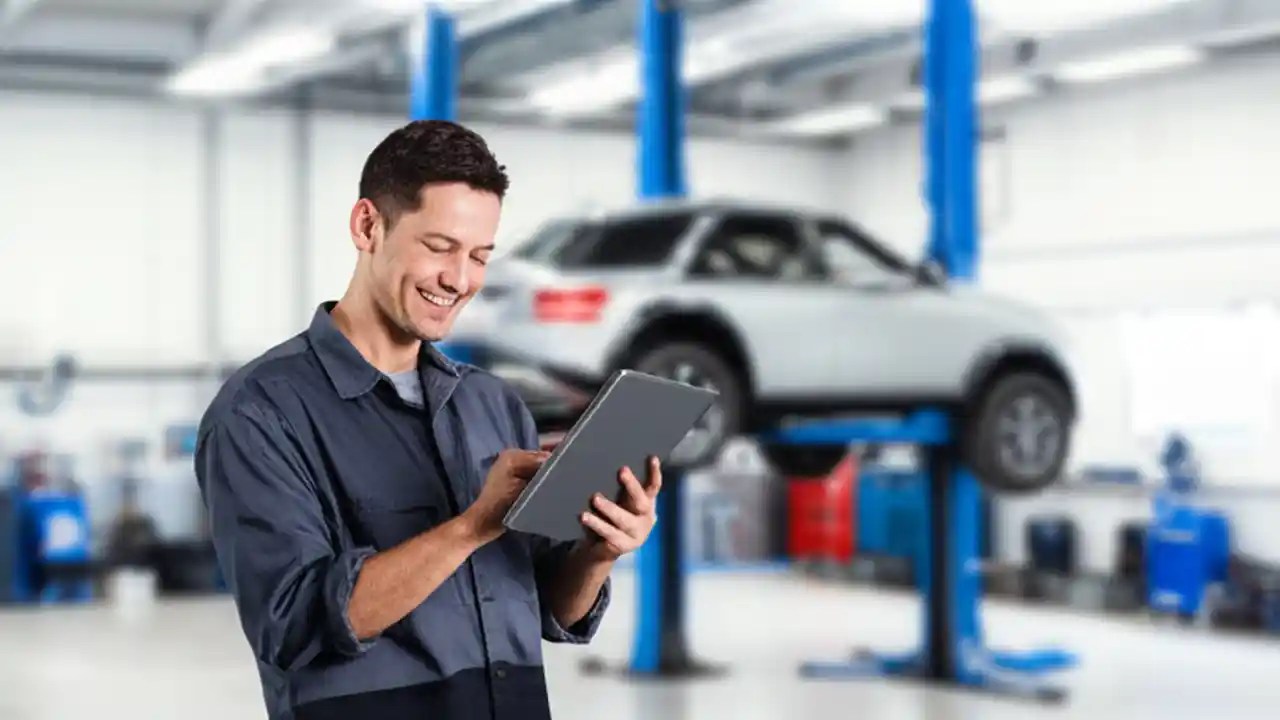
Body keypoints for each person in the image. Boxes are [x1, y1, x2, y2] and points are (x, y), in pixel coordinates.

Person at [194, 120, 662, 720]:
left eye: (479, 256)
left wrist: (599, 552)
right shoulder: (261, 413)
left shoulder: (494, 405)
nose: (459, 279)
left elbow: (552, 608)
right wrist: (470, 527)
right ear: (368, 225)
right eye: (438, 247)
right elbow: (292, 626)